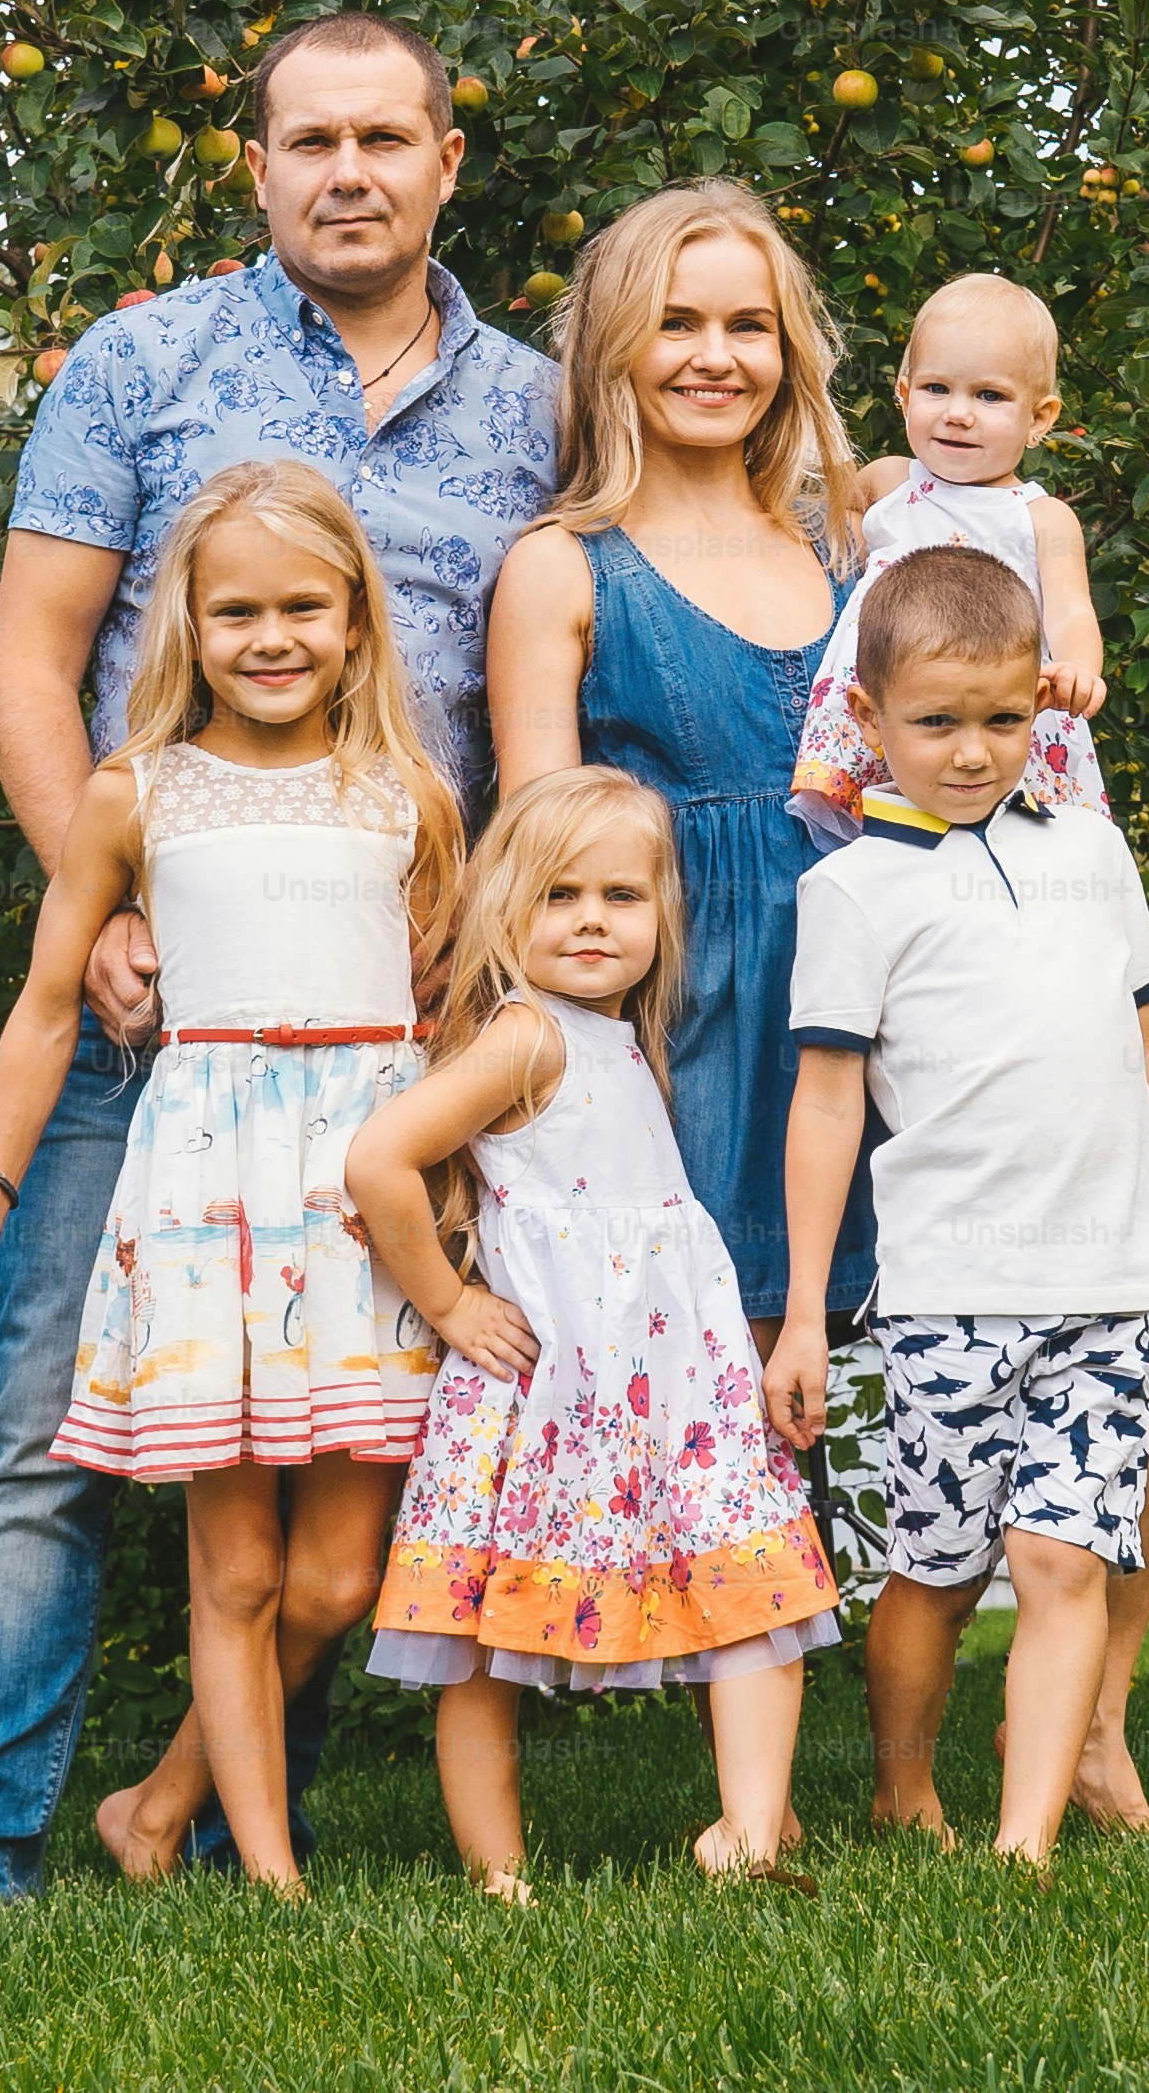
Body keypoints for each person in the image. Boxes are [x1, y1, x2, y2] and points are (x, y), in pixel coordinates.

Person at [0, 10, 555, 1916]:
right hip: (152, 1020)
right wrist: (100, 909)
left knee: (362, 1437)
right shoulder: (143, 363)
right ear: (255, 167)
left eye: (384, 138)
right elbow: (33, 658)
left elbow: (554, 672)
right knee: (45, 1438)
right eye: (307, 141)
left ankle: (184, 1800)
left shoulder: (532, 404)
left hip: (397, 1032)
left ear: (446, 161)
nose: (346, 171)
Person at [0, 458, 465, 1896]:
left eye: (300, 609)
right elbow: (44, 1012)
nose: (268, 640)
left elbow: (445, 1003)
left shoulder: (406, 793)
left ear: (353, 623)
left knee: (336, 1579)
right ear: (186, 628)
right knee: (236, 1574)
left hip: (355, 1207)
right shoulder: (134, 794)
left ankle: (153, 1808)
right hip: (208, 1202)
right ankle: (267, 1876)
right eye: (234, 614)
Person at [767, 546, 1149, 1866]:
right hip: (946, 1292)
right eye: (936, 723)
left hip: (1109, 1283)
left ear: (1039, 706)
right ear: (868, 720)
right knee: (932, 1572)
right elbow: (825, 1107)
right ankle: (901, 1789)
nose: (976, 751)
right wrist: (808, 1316)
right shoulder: (848, 891)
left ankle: (1023, 1848)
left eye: (1003, 718)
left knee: (1063, 1561)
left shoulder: (1090, 854)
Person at [347, 767, 839, 1904]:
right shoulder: (528, 1038)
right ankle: (497, 1870)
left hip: (676, 1381)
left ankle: (751, 1834)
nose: (592, 920)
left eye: (622, 895)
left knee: (762, 1586)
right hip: (556, 1384)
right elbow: (380, 1161)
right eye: (561, 895)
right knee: (479, 1640)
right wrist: (452, 1301)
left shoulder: (622, 1039)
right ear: (508, 910)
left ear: (663, 914)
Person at [486, 177, 875, 1362]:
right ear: (615, 347)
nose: (717, 357)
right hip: (683, 1032)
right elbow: (542, 871)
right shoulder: (563, 568)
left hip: (867, 1024)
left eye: (747, 326)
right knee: (700, 1394)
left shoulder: (856, 541)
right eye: (677, 323)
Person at [788, 273, 1110, 842]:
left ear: (1040, 417)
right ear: (904, 394)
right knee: (892, 852)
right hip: (892, 703)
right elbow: (811, 525)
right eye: (937, 389)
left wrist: (1079, 671)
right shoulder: (888, 483)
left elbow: (1070, 611)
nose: (958, 413)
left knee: (1007, 847)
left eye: (989, 396)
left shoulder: (1039, 516)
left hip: (993, 714)